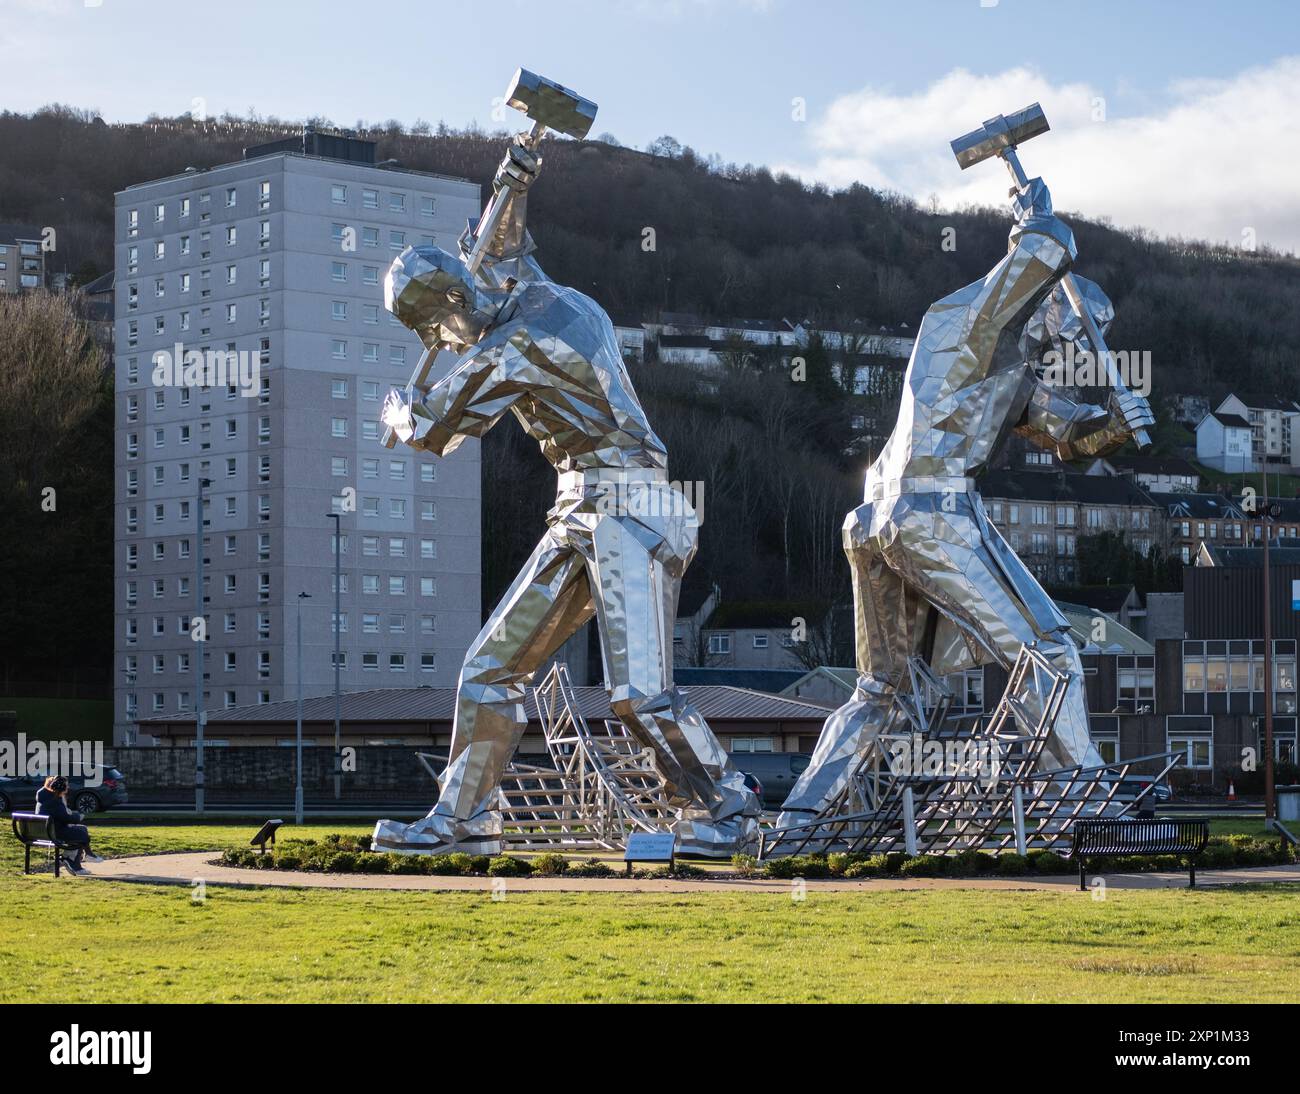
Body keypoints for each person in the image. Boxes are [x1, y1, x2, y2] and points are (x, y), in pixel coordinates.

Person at [372, 141, 757, 857]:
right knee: (491, 667)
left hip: (630, 508)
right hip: (581, 506)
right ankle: (464, 817)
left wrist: (399, 410)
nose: (442, 344)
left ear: (455, 300)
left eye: (434, 329)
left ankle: (727, 808)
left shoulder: (513, 345)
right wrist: (514, 186)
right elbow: (509, 250)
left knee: (638, 693)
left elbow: (436, 430)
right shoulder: (557, 300)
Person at [777, 176, 1154, 825]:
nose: (1069, 349)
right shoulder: (963, 326)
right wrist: (1035, 225)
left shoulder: (1008, 370)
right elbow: (1041, 253)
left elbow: (1067, 434)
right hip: (932, 510)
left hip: (878, 518)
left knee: (882, 690)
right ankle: (1082, 802)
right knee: (1049, 651)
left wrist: (1117, 423)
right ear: (1040, 300)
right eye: (1072, 331)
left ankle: (798, 821)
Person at [35, 776, 101, 872]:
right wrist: (78, 817)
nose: (68, 787)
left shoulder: (45, 796)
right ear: (60, 788)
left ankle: (84, 856)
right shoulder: (54, 801)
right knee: (81, 834)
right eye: (66, 785)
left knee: (82, 829)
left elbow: (60, 816)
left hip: (46, 831)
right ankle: (73, 862)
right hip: (54, 833)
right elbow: (66, 818)